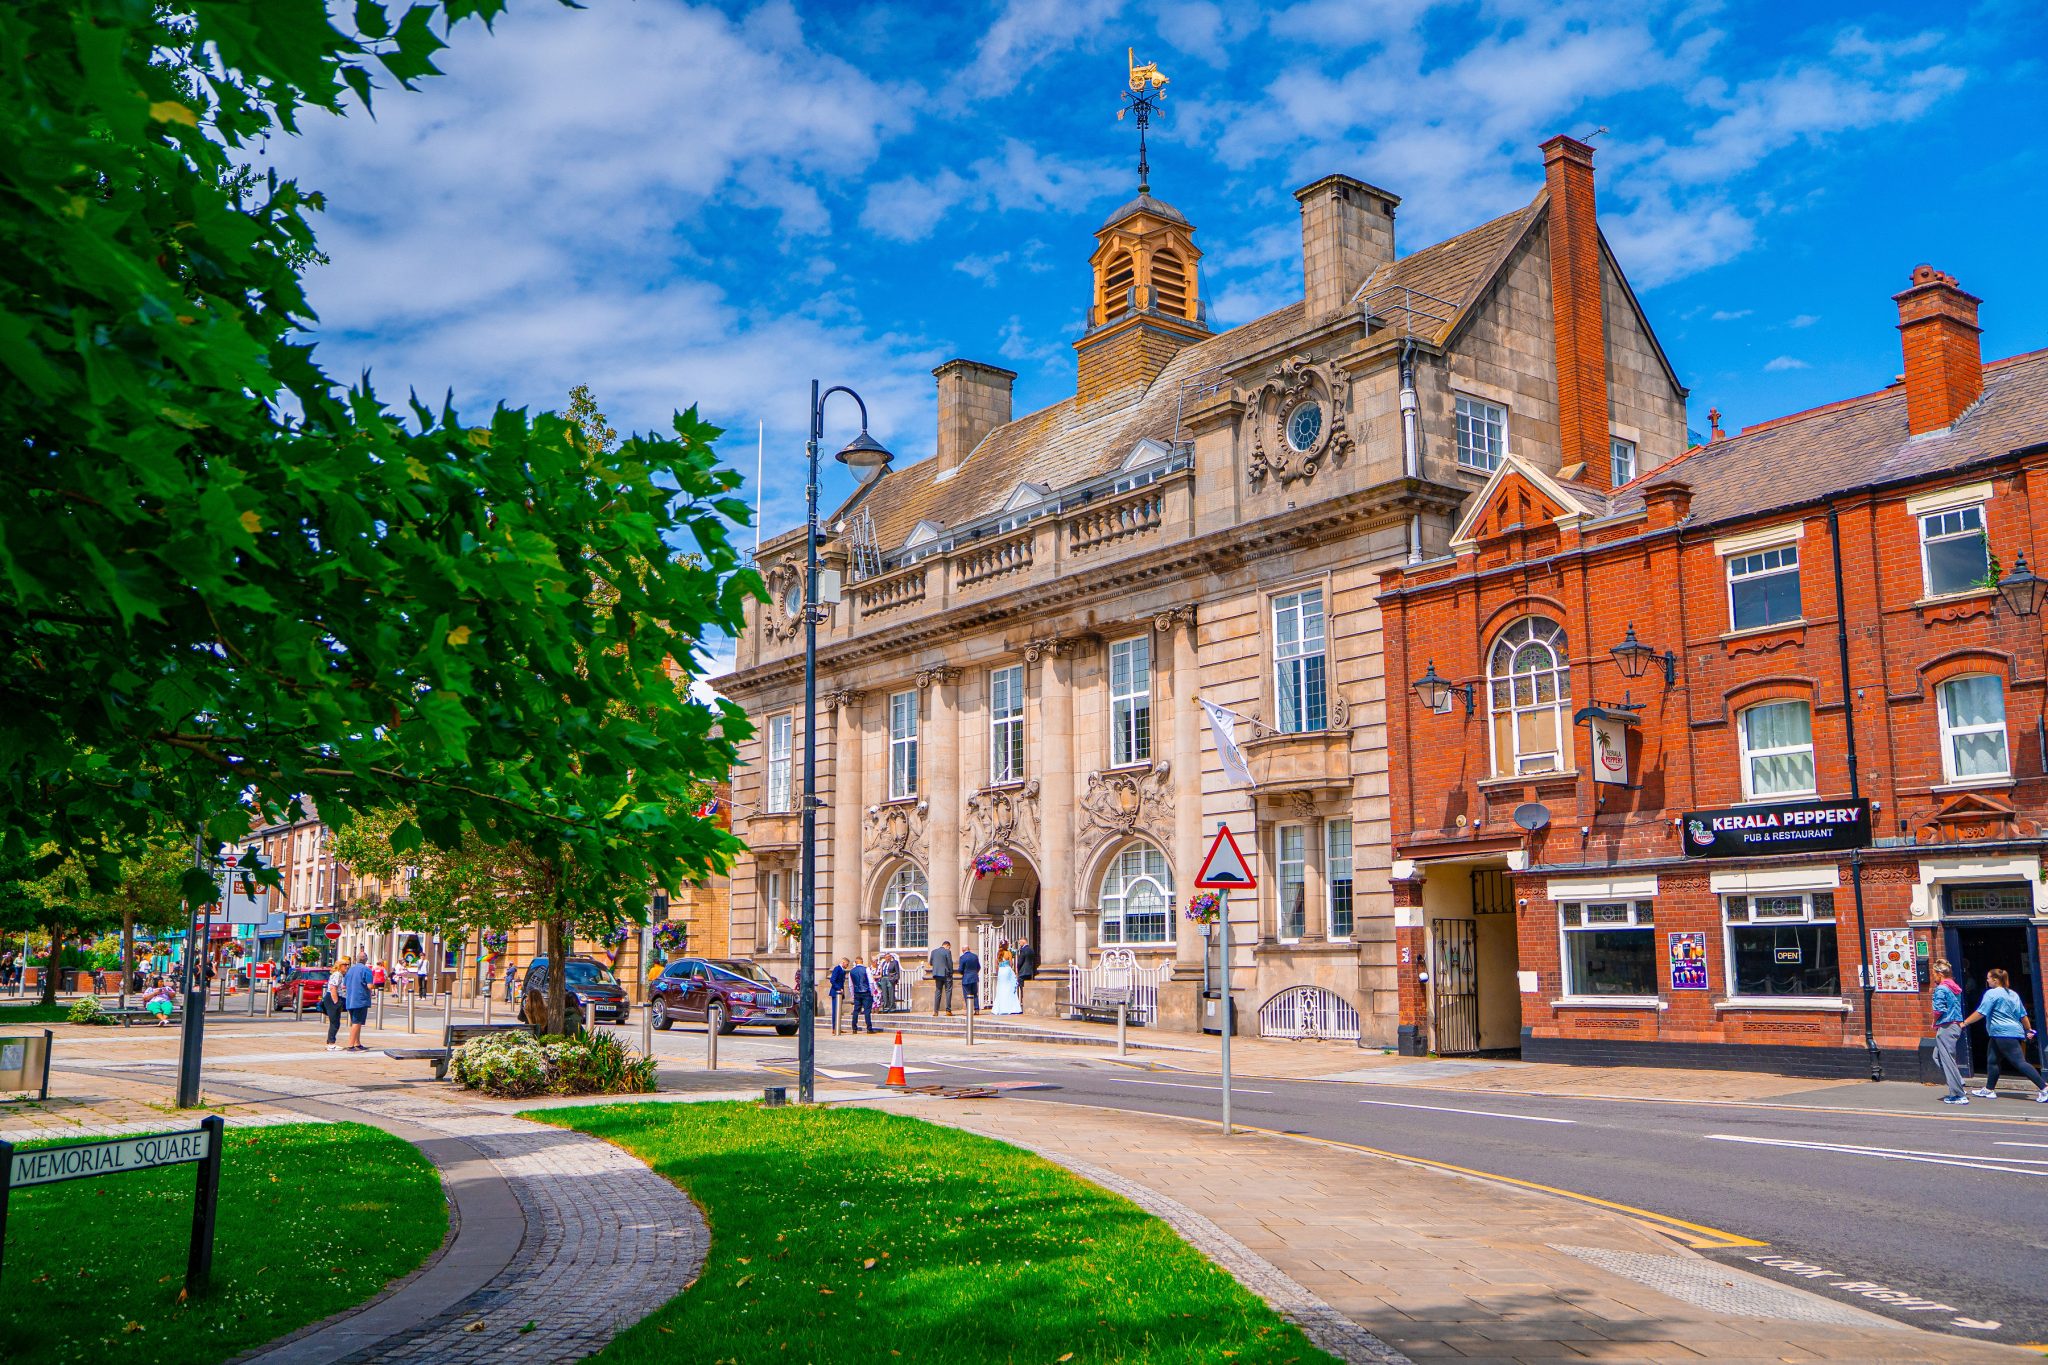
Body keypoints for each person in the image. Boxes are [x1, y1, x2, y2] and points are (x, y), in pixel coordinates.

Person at [1965, 967, 2048, 1102]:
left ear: (1995, 980)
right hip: (2005, 1032)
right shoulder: (2013, 994)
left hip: (2002, 1033)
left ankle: (2044, 1088)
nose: (1987, 980)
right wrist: (2028, 1029)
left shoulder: (1991, 993)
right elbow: (2022, 1015)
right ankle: (1989, 1089)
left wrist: (1964, 1023)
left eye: (1988, 978)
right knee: (1992, 1060)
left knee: (2019, 1062)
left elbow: (1981, 1012)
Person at [1930, 959, 1970, 1105]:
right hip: (1955, 1025)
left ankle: (1958, 1094)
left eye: (1934, 974)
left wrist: (1934, 1022)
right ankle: (1958, 1082)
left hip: (1946, 1026)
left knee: (1948, 1061)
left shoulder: (1941, 989)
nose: (1933, 977)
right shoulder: (1953, 987)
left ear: (1940, 974)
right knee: (1937, 1056)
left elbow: (1938, 1009)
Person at [341, 951, 375, 1052]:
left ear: (356, 959)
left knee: (356, 1022)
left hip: (350, 999)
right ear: (366, 959)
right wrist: (375, 986)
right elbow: (369, 986)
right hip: (361, 999)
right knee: (357, 1022)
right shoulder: (366, 970)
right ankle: (351, 1045)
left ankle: (357, 1043)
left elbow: (344, 985)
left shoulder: (350, 970)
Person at [322, 960, 347, 1050]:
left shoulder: (338, 974)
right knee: (335, 1022)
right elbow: (333, 988)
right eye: (344, 965)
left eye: (347, 965)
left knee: (335, 1022)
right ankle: (331, 1044)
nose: (346, 966)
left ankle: (330, 1042)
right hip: (332, 998)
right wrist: (336, 1002)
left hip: (332, 997)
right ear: (340, 966)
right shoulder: (338, 974)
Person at [849, 956, 876, 1034]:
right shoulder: (866, 969)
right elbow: (871, 982)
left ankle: (854, 1028)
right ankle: (869, 1028)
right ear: (862, 961)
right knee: (867, 1010)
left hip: (857, 992)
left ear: (855, 962)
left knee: (856, 1010)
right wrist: (872, 992)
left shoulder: (851, 971)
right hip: (866, 991)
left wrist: (852, 994)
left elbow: (851, 985)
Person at [993, 945, 1023, 1016]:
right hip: (1007, 970)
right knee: (1009, 988)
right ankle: (1011, 1007)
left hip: (1001, 971)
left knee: (1001, 988)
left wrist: (998, 972)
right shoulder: (1008, 952)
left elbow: (996, 965)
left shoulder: (998, 953)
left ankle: (1000, 1008)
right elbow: (1011, 963)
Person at [929, 940, 955, 1015]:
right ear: (947, 945)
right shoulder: (947, 952)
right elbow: (950, 963)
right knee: (948, 991)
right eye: (949, 947)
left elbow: (931, 963)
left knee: (938, 991)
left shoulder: (933, 952)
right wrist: (951, 972)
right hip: (946, 974)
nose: (949, 949)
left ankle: (935, 1011)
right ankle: (948, 1010)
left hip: (937, 974)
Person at [958, 944, 982, 1014]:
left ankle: (969, 1010)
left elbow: (960, 969)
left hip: (966, 978)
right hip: (974, 977)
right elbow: (978, 967)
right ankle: (977, 1009)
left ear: (963, 950)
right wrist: (974, 972)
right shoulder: (975, 956)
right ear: (969, 949)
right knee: (975, 994)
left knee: (967, 995)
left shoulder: (962, 957)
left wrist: (963, 973)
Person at [828, 957, 849, 1034]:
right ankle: (834, 1028)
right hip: (836, 992)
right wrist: (839, 988)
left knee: (838, 1011)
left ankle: (838, 1027)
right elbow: (832, 980)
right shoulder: (837, 969)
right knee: (835, 1011)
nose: (847, 966)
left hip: (839, 993)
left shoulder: (842, 970)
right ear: (843, 963)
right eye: (847, 964)